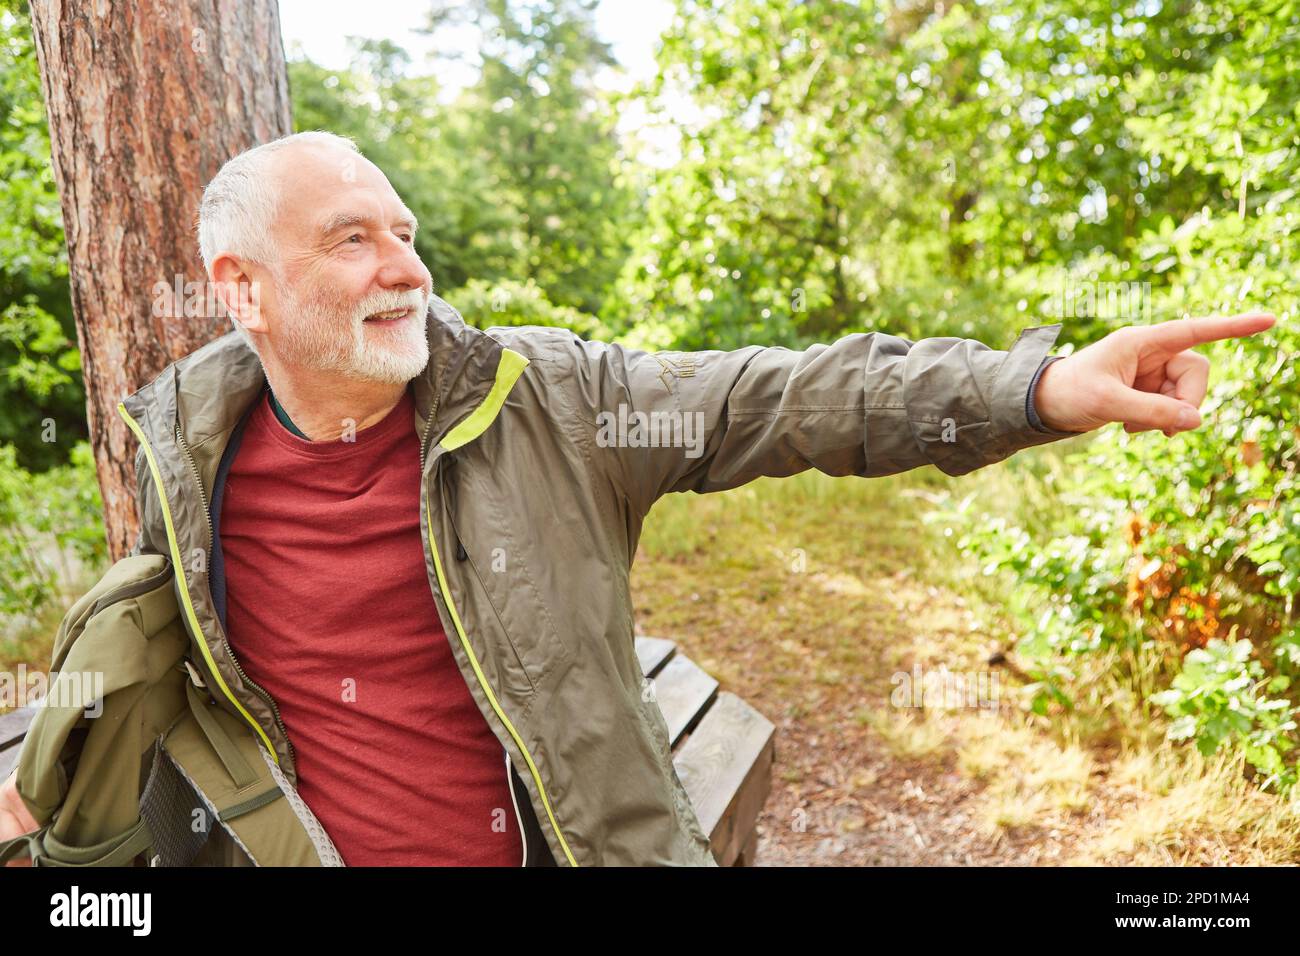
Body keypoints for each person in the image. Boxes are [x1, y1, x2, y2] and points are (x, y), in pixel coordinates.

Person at [0, 130, 1276, 866]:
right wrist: (51, 773)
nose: (405, 266)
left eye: (403, 230)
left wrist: (1036, 386)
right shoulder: (190, 448)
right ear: (242, 288)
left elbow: (785, 397)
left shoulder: (546, 397)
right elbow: (163, 644)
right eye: (350, 239)